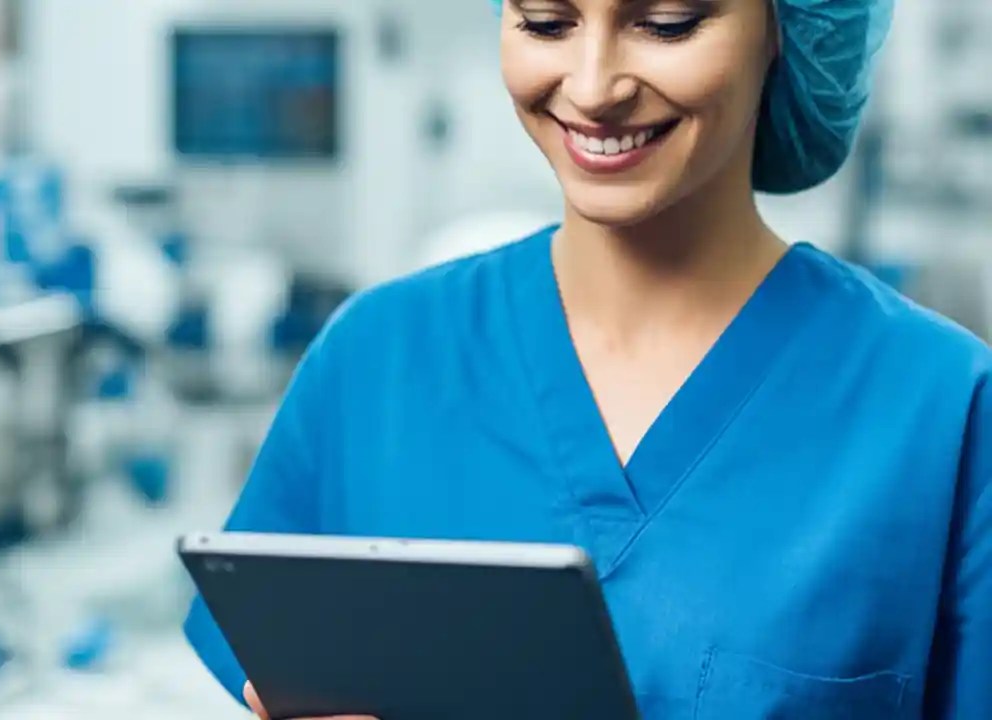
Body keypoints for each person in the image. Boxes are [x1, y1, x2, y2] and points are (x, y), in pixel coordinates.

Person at [185, 0, 991, 717]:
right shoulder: (374, 363)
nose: (595, 85)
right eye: (545, 22)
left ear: (786, 31)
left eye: (666, 23)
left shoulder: (942, 410)